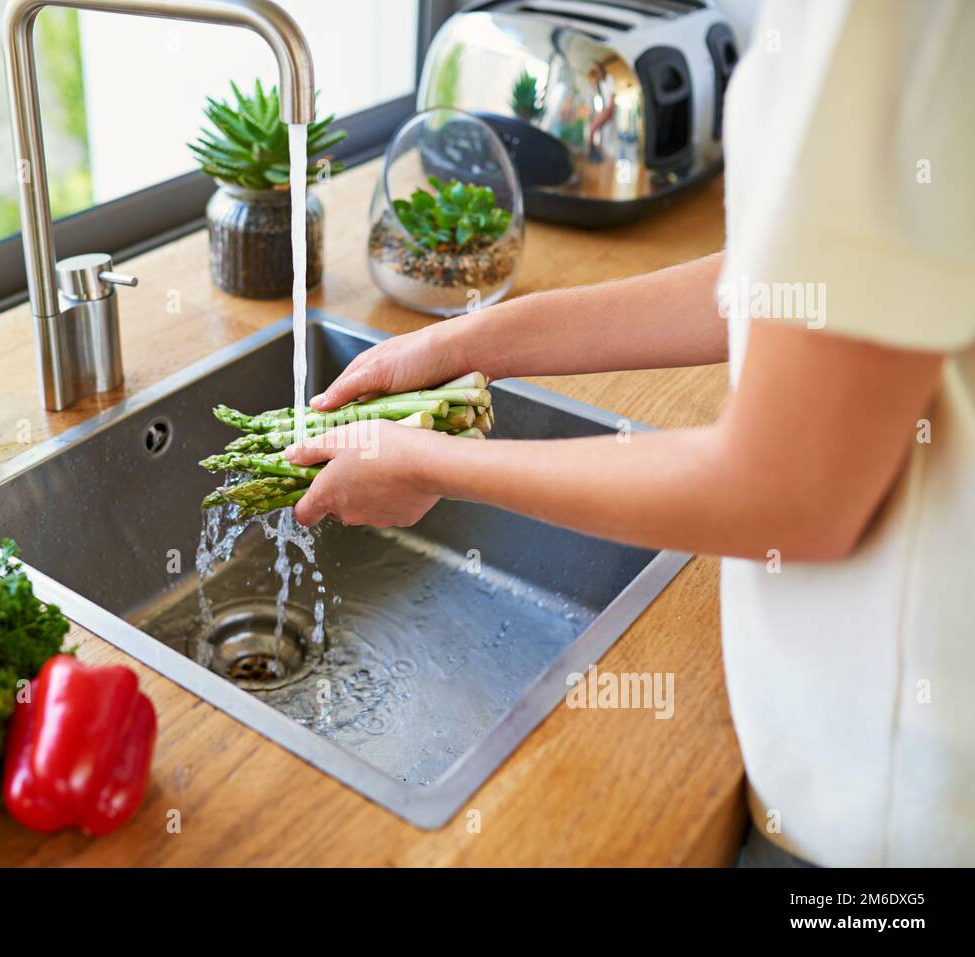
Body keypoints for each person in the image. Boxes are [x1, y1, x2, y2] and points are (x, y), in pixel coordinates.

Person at [284, 0, 974, 867]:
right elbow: (790, 284)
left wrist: (429, 459)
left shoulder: (884, 20)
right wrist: (470, 341)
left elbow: (787, 492)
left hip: (896, 822)